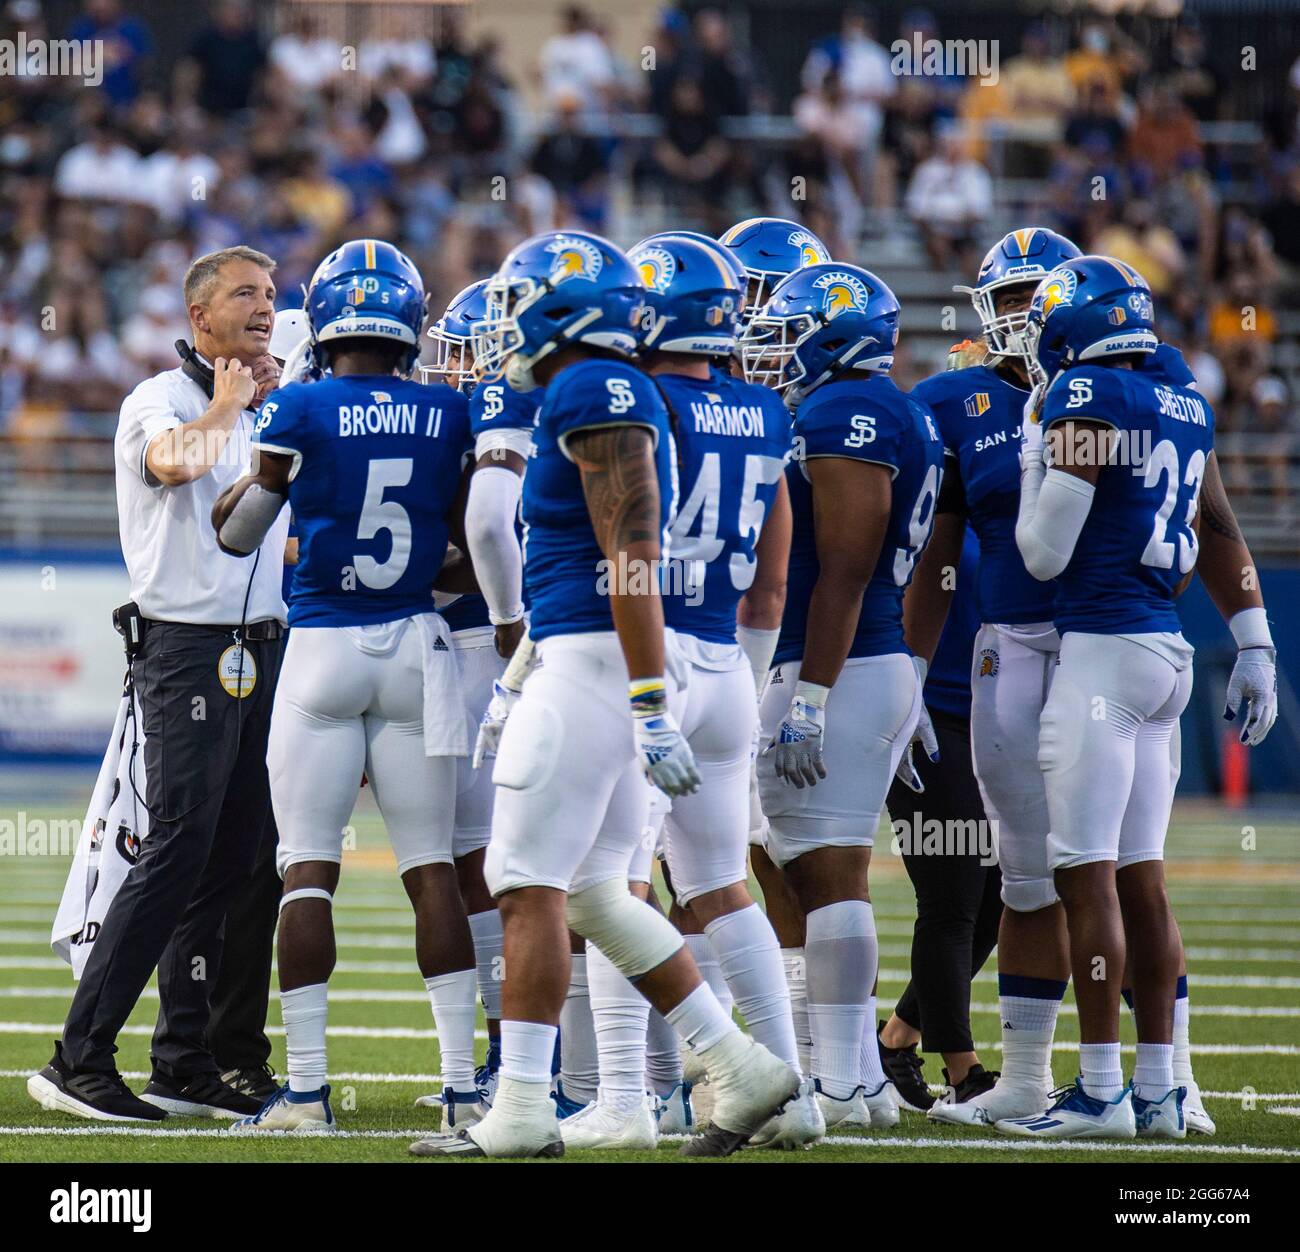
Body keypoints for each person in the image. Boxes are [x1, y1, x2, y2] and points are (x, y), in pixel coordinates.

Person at [422, 229, 798, 1159]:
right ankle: (740, 1067)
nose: (508, 325)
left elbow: (632, 553)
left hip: (596, 669)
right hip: (595, 662)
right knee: (591, 889)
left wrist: (642, 698)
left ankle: (517, 1111)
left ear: (564, 308)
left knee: (524, 884)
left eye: (520, 302)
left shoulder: (596, 387)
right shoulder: (602, 387)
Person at [997, 255, 1277, 1140]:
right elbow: (1218, 524)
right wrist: (1256, 643)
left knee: (1086, 885)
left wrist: (1036, 446)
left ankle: (1100, 1092)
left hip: (1101, 657)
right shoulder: (1181, 393)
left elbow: (1043, 553)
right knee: (1144, 882)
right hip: (1166, 651)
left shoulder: (1085, 397)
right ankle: (1161, 1092)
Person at [556, 234, 818, 1151]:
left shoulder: (631, 400)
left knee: (610, 881)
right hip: (724, 660)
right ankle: (797, 1097)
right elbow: (774, 584)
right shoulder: (764, 408)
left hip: (648, 657)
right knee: (722, 883)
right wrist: (739, 683)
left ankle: (624, 1100)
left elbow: (625, 550)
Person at [211, 239, 480, 1134]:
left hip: (323, 646)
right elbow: (469, 553)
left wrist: (265, 475)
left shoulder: (300, 402)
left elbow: (240, 534)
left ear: (324, 320)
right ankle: (459, 1089)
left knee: (308, 873)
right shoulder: (450, 412)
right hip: (416, 645)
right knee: (431, 869)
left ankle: (309, 1095)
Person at [28, 246, 287, 1123]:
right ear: (198, 316)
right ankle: (79, 1057)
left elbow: (261, 541)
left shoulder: (258, 407)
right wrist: (229, 402)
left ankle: (183, 1059)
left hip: (259, 648)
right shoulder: (163, 399)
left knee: (236, 857)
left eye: (272, 294)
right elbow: (171, 465)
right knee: (176, 849)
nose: (265, 305)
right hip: (186, 651)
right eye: (245, 294)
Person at [740, 262, 944, 1129]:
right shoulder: (889, 407)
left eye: (791, 329)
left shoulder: (842, 410)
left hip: (844, 662)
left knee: (827, 871)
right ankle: (854, 1077)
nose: (776, 347)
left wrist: (814, 696)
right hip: (866, 662)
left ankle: (849, 1081)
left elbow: (847, 570)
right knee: (824, 869)